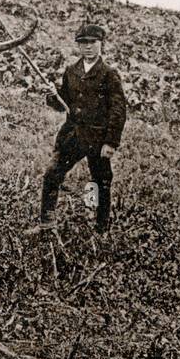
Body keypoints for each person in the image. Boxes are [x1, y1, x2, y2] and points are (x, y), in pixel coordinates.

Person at [34, 23, 127, 233]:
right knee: (52, 174)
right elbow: (63, 103)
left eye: (92, 43)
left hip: (98, 138)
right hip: (73, 136)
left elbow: (118, 111)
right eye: (83, 43)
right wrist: (52, 94)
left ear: (101, 44)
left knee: (100, 181)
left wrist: (111, 142)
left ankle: (101, 228)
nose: (88, 47)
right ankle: (46, 223)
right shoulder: (71, 71)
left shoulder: (109, 74)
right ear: (78, 45)